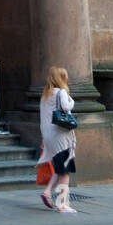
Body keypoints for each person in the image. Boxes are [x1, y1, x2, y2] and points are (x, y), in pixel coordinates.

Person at [38, 65, 77, 214]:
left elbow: (43, 117)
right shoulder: (61, 92)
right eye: (65, 77)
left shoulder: (45, 94)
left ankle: (47, 192)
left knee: (60, 167)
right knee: (65, 170)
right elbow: (67, 108)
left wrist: (43, 138)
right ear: (61, 79)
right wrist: (70, 99)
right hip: (60, 135)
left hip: (48, 135)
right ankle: (62, 204)